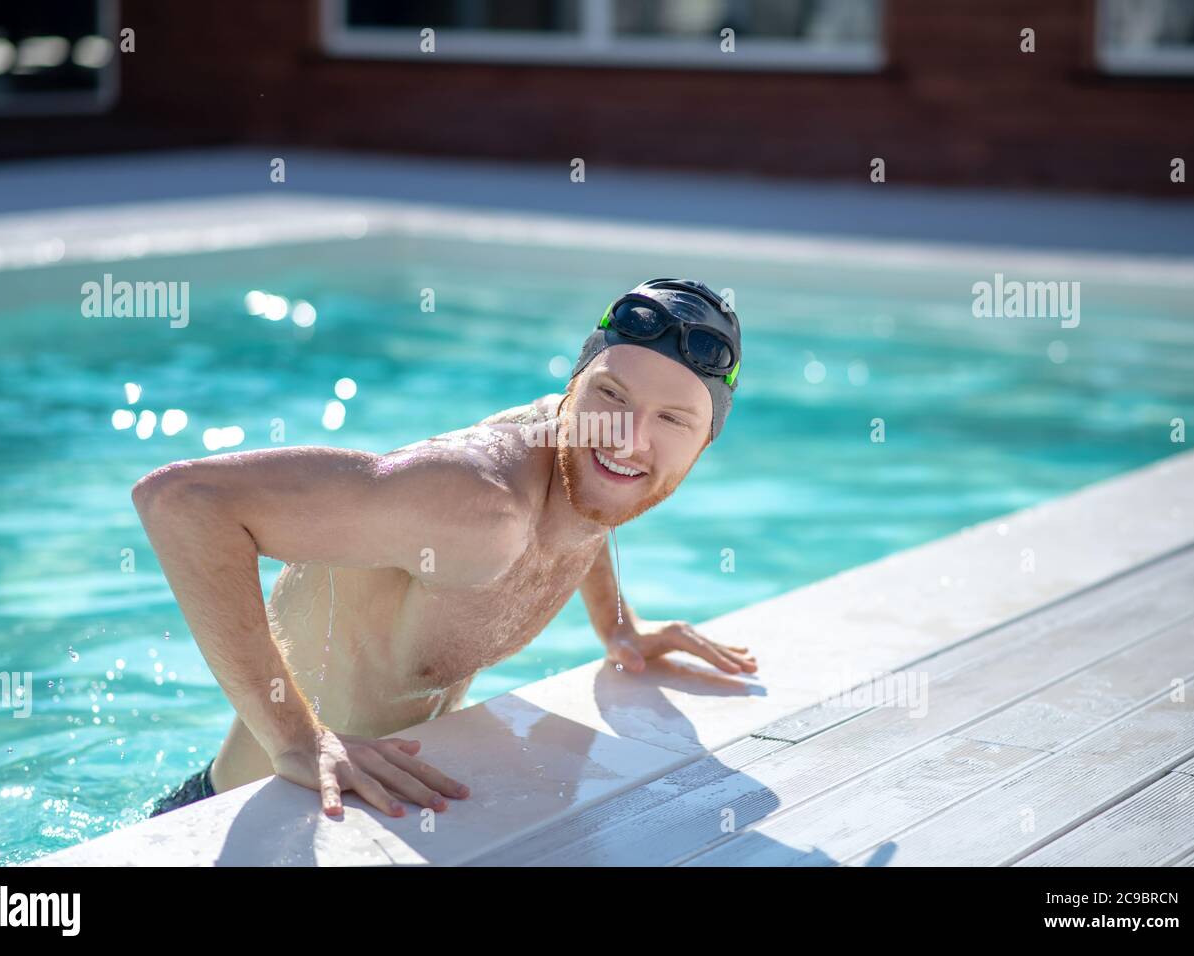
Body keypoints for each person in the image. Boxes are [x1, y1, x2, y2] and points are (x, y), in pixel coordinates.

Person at [138, 277, 755, 820]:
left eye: (672, 420)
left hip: (363, 811)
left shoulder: (585, 459)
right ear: (573, 390)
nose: (626, 440)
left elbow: (594, 508)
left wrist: (620, 625)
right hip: (253, 815)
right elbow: (182, 502)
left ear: (704, 444)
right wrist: (297, 739)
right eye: (611, 397)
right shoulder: (478, 509)